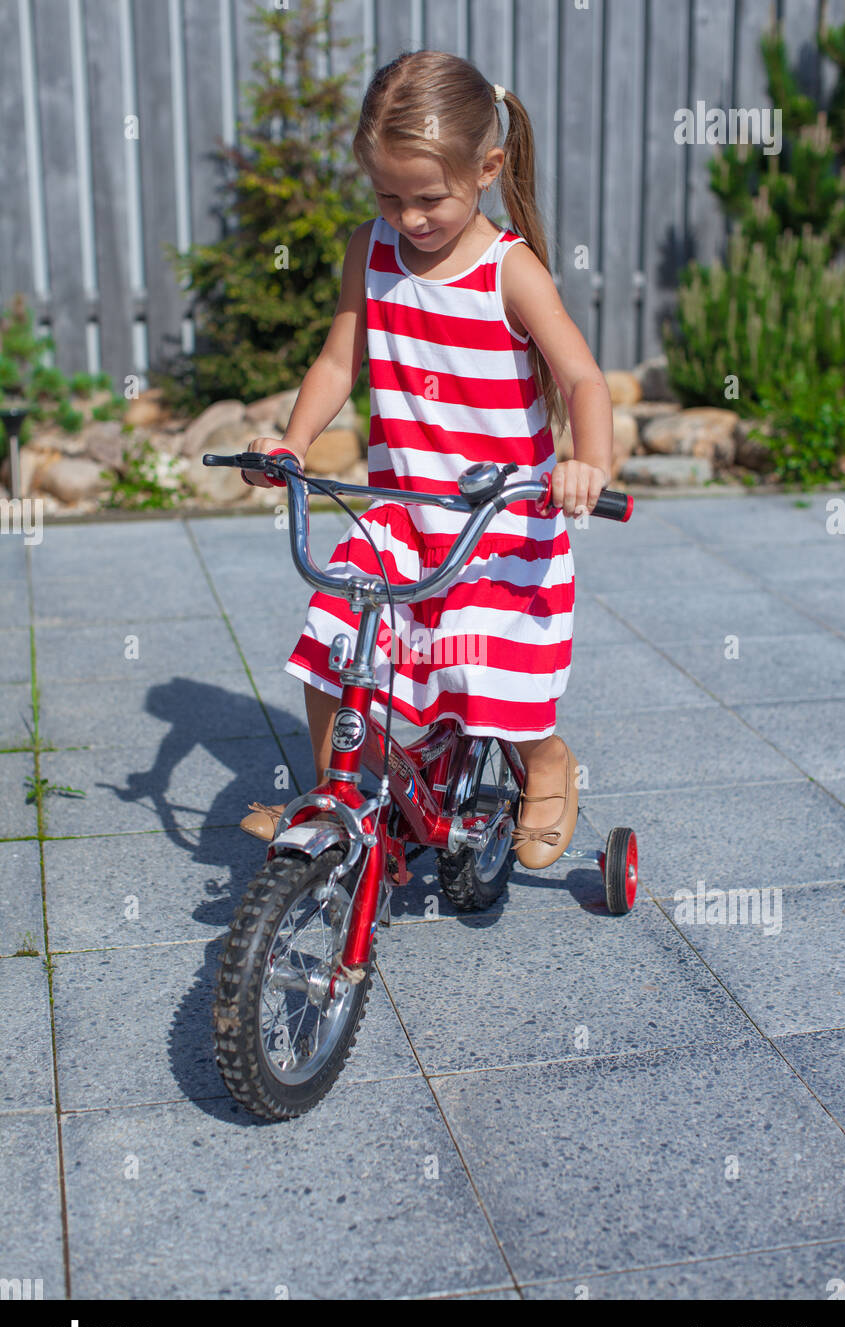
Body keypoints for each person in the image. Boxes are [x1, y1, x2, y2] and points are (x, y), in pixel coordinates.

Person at [239, 49, 612, 871]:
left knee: (486, 673)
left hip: (499, 520)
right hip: (402, 511)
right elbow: (340, 363)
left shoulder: (507, 271)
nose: (408, 218)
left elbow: (583, 377)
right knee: (331, 639)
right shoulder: (368, 253)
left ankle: (544, 759)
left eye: (428, 198)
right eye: (387, 196)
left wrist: (590, 463)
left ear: (487, 167)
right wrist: (291, 443)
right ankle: (340, 796)